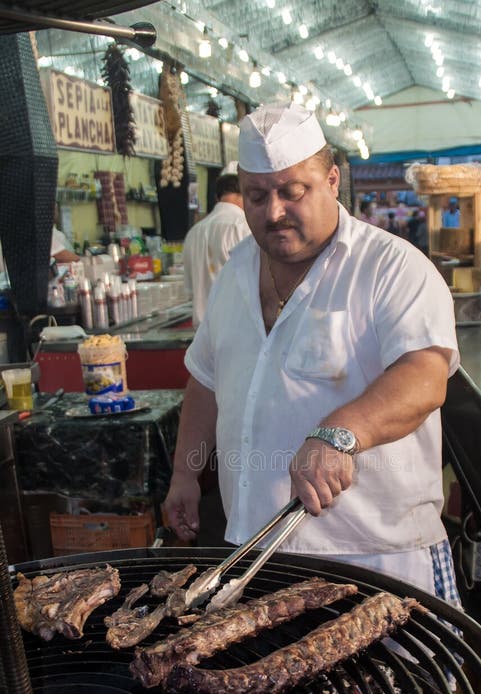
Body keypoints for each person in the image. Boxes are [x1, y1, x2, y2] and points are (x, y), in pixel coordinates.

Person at [164, 103, 462, 605]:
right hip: (256, 555)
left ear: (331, 179)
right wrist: (184, 474)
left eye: (291, 192)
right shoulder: (235, 271)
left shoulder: (390, 267)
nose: (274, 211)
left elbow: (424, 377)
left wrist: (338, 434)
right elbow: (207, 379)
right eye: (257, 196)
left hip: (372, 559)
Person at [183, 166, 251, 326]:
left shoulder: (193, 232)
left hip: (202, 333)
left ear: (217, 197)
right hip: (237, 328)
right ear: (244, 194)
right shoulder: (243, 226)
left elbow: (189, 288)